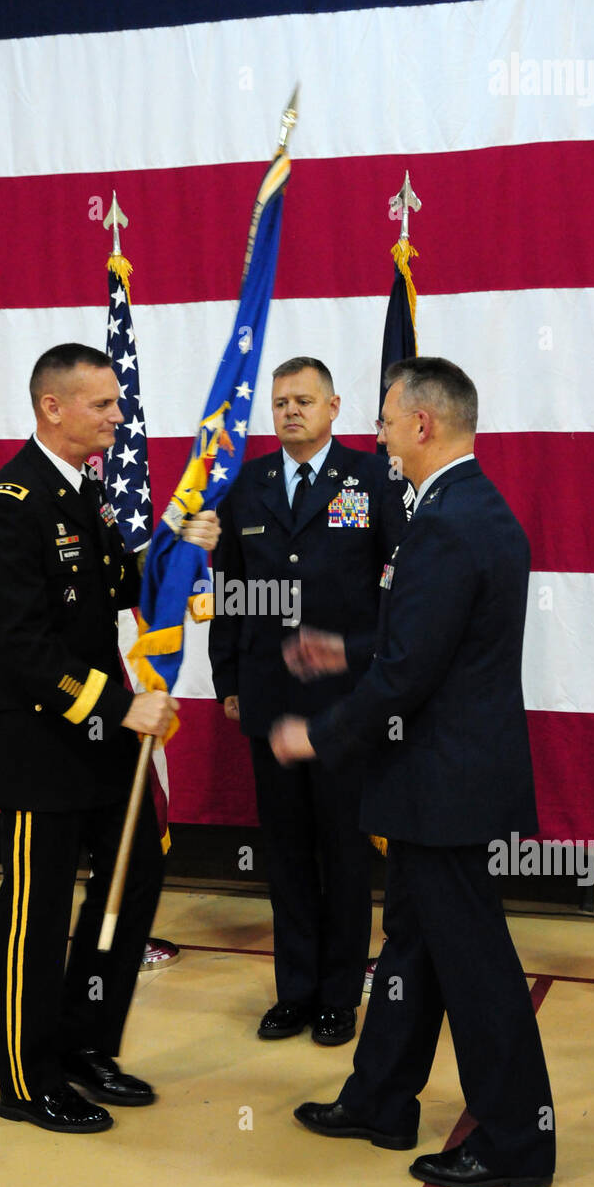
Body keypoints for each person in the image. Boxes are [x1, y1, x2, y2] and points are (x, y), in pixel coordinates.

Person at [270, 357, 556, 1187]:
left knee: (476, 969)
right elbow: (427, 640)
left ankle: (515, 1142)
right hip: (444, 778)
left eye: (387, 418)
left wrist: (318, 737)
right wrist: (347, 648)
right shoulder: (464, 508)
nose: (379, 431)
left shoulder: (445, 522)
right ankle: (382, 1098)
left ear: (422, 425)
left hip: (444, 785)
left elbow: (408, 677)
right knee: (412, 953)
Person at [0, 343, 219, 1133]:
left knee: (135, 878)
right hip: (42, 746)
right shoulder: (8, 505)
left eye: (115, 403)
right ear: (53, 408)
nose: (118, 416)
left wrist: (182, 547)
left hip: (102, 739)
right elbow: (24, 647)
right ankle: (26, 1077)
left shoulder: (87, 494)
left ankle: (84, 1045)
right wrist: (116, 704)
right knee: (36, 917)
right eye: (104, 405)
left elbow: (118, 584)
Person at [209, 357, 408, 1045]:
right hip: (269, 698)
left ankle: (336, 995)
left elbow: (400, 588)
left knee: (344, 851)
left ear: (333, 408)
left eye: (303, 400)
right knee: (286, 851)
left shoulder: (372, 479)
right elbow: (228, 594)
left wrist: (377, 670)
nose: (289, 411)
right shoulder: (247, 486)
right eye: (280, 401)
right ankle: (292, 990)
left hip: (345, 703)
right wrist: (227, 681)